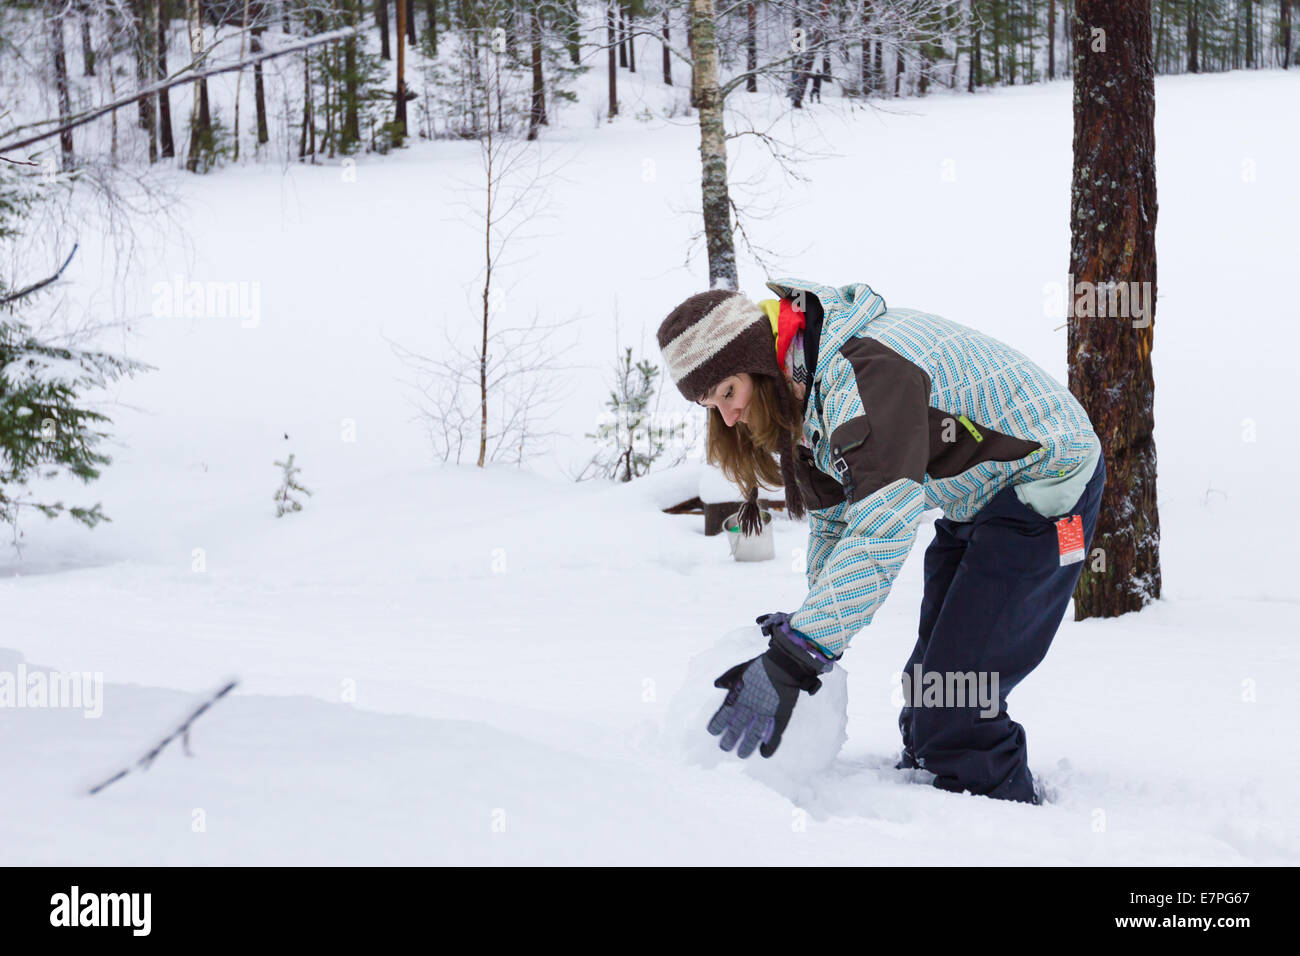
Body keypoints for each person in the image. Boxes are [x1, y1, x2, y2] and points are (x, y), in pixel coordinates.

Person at [656, 278, 1106, 805]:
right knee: (928, 694)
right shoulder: (807, 394)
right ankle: (937, 774)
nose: (728, 416)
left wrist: (801, 654)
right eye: (713, 405)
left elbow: (880, 533)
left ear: (758, 359)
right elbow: (837, 525)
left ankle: (1002, 824)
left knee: (959, 703)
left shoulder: (863, 375)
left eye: (728, 391)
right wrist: (809, 626)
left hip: (1048, 484)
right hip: (978, 495)